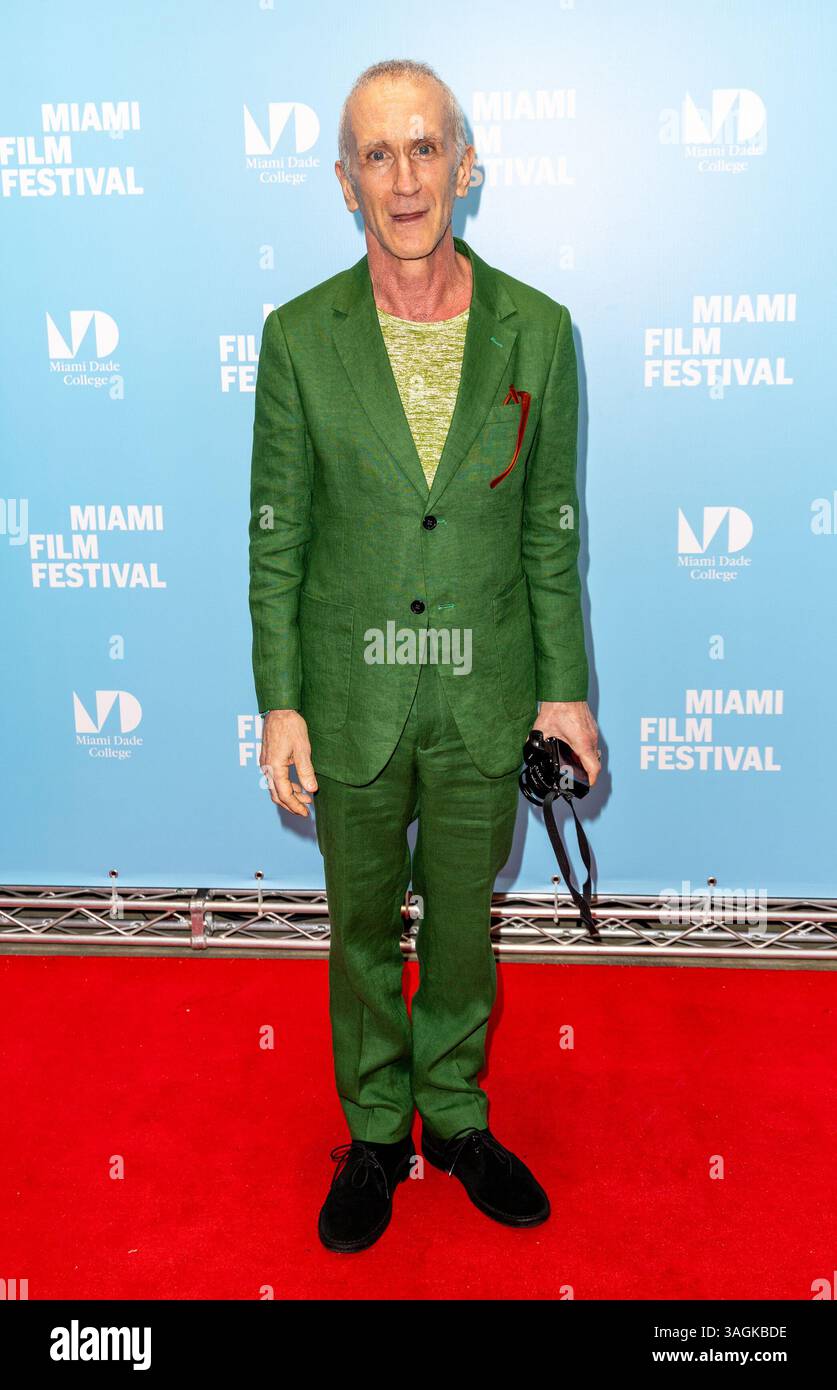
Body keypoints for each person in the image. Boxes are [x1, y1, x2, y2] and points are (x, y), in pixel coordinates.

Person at [249, 57, 600, 1253]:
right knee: (357, 925)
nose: (405, 178)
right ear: (346, 183)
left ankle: (453, 1116)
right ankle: (374, 1128)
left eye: (424, 147)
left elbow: (554, 534)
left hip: (485, 686)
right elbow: (278, 534)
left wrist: (564, 694)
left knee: (464, 919)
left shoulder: (539, 331)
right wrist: (280, 702)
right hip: (347, 689)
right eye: (377, 155)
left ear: (465, 162)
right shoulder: (297, 338)